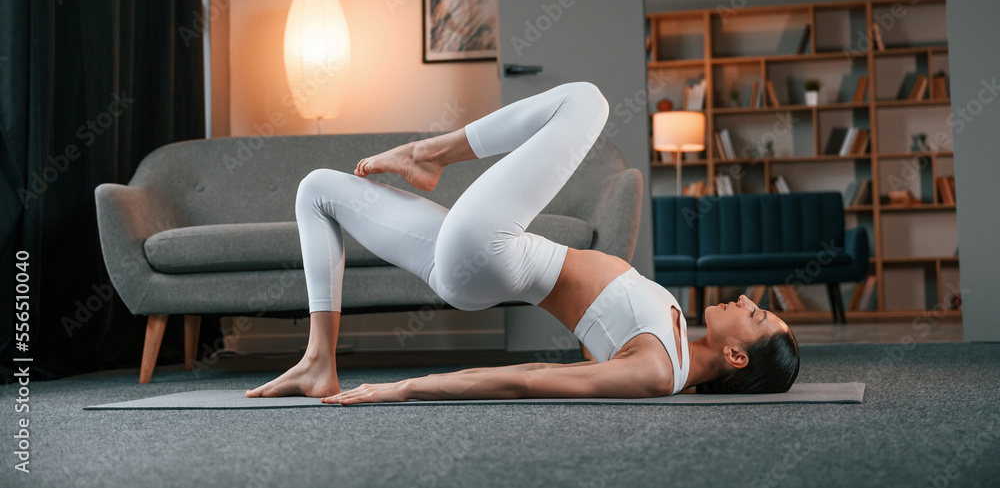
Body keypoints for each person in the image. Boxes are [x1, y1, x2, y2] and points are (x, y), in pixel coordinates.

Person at [245, 82, 799, 403]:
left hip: (492, 252)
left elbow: (529, 379)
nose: (750, 301)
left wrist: (405, 389)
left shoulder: (658, 370)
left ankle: (429, 153)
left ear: (735, 354)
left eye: (757, 317)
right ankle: (319, 359)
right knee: (316, 189)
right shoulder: (677, 339)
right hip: (476, 262)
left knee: (587, 101)